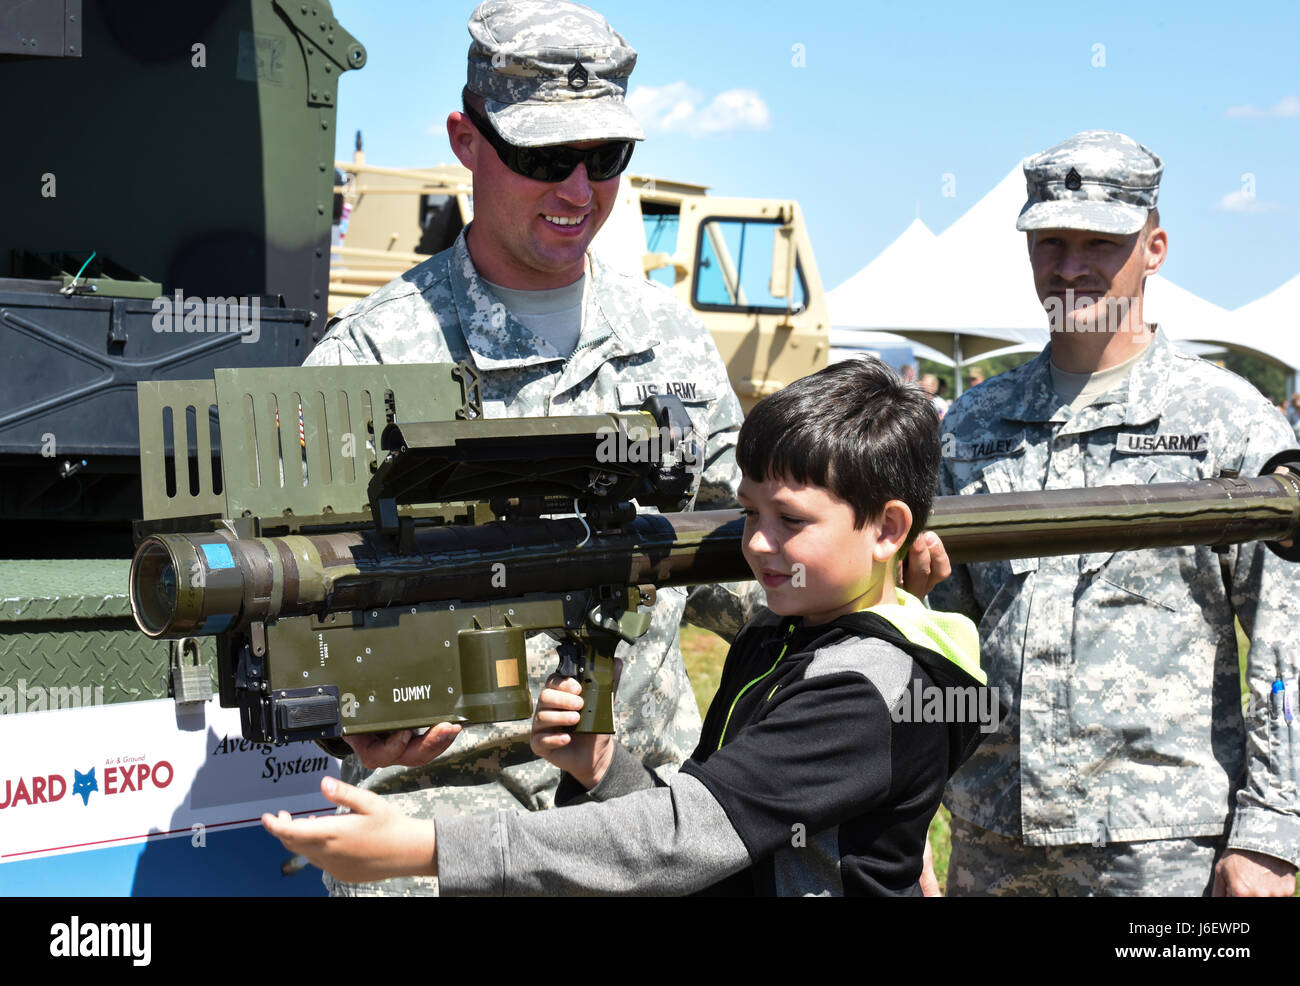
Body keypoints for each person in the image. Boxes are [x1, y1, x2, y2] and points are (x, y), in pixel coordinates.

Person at [299, 0, 754, 895]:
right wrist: (344, 718)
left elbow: (740, 572)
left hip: (638, 820)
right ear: (467, 141)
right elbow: (294, 602)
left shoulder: (671, 345)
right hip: (435, 841)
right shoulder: (371, 357)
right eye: (544, 158)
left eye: (606, 158)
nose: (579, 191)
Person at [263, 357, 993, 896]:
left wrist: (425, 846)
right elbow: (721, 816)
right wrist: (602, 771)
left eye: (792, 521)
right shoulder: (779, 637)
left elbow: (680, 839)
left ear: (889, 528)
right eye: (749, 512)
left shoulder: (871, 690)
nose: (758, 543)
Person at [927, 130, 1299, 896]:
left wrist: (1269, 832)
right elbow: (935, 640)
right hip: (997, 839)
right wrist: (904, 816)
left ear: (1154, 246)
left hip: (1163, 852)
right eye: (1051, 241)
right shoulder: (973, 425)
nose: (1070, 267)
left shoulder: (1228, 422)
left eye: (1101, 242)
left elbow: (1286, 642)